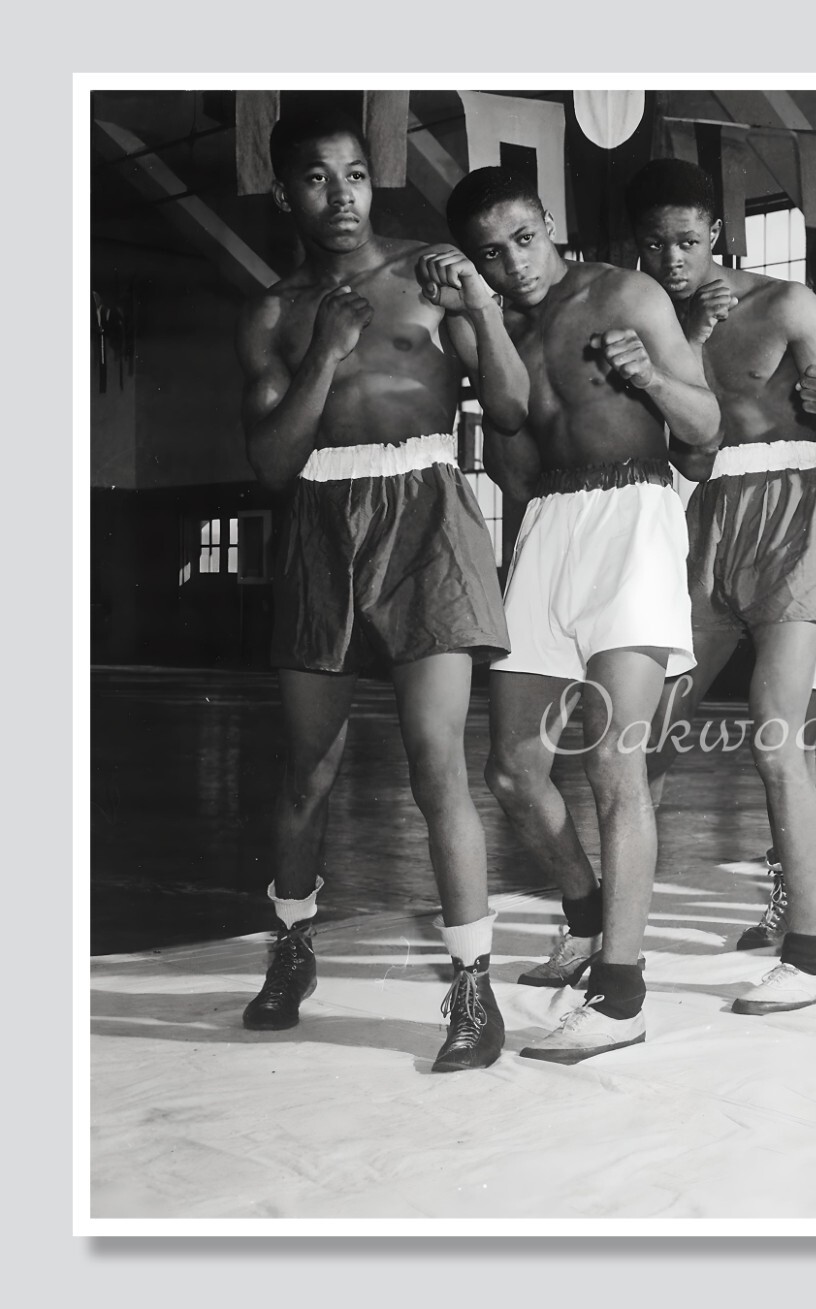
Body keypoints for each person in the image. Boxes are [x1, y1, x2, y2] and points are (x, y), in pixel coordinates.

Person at [234, 108, 521, 1071]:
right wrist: (326, 349)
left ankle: (474, 993)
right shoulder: (273, 314)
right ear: (287, 194)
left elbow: (512, 406)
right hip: (322, 520)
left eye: (355, 175)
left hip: (430, 515)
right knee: (307, 764)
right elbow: (274, 464)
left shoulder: (431, 272)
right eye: (318, 180)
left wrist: (479, 303)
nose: (342, 196)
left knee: (437, 754)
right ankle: (292, 943)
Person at [446, 165, 723, 1061]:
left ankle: (625, 991)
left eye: (525, 238)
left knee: (615, 760)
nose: (515, 262)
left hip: (635, 518)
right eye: (493, 251)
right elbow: (516, 443)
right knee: (511, 769)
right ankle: (588, 916)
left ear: (549, 225)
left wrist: (649, 380)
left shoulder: (628, 291)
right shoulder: (493, 325)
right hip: (546, 529)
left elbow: (707, 427)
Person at [624, 160, 816, 1015]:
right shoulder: (649, 324)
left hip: (796, 515)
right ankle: (615, 943)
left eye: (687, 240)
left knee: (774, 739)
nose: (673, 257)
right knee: (646, 735)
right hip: (708, 517)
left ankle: (809, 955)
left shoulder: (787, 304)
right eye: (655, 245)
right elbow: (687, 449)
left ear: (716, 235)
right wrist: (681, 349)